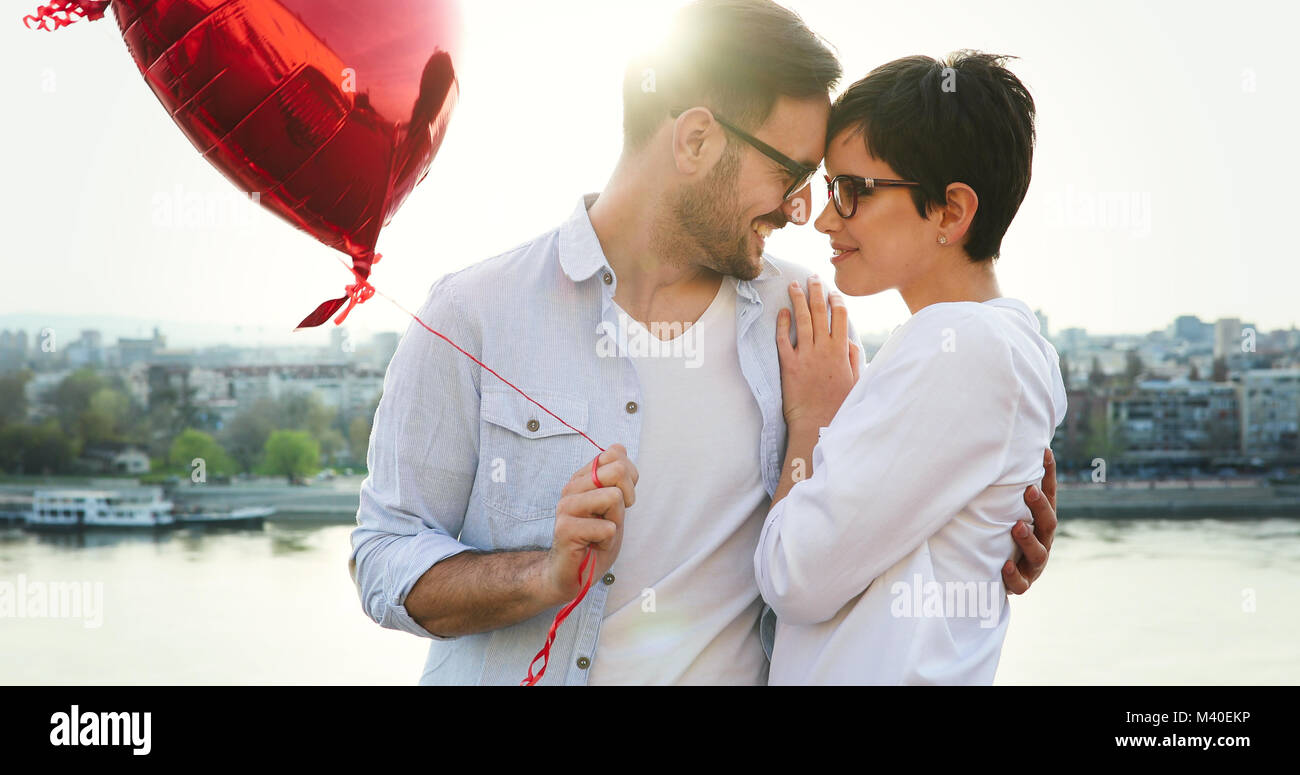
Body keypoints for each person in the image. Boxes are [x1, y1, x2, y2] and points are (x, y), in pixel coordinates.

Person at [348, 0, 1058, 686]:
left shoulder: (807, 320)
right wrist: (543, 573)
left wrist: (992, 529)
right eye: (792, 176)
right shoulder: (474, 312)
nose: (801, 211)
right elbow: (383, 554)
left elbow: (862, 521)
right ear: (695, 140)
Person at [755, 52, 1067, 684]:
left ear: (951, 212)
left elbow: (797, 576)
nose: (823, 217)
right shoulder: (998, 344)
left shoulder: (961, 346)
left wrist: (814, 419)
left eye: (852, 191)